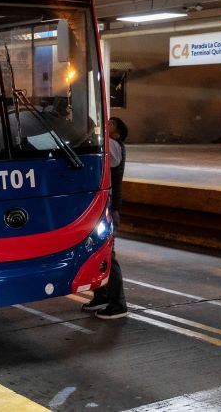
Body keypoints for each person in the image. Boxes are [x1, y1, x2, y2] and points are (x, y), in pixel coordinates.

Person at [83, 116, 129, 319]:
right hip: (100, 207)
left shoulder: (115, 146)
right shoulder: (107, 144)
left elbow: (106, 151)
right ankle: (101, 295)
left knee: (109, 254)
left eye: (110, 124)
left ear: (117, 132)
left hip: (109, 208)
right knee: (95, 252)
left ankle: (118, 303)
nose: (106, 124)